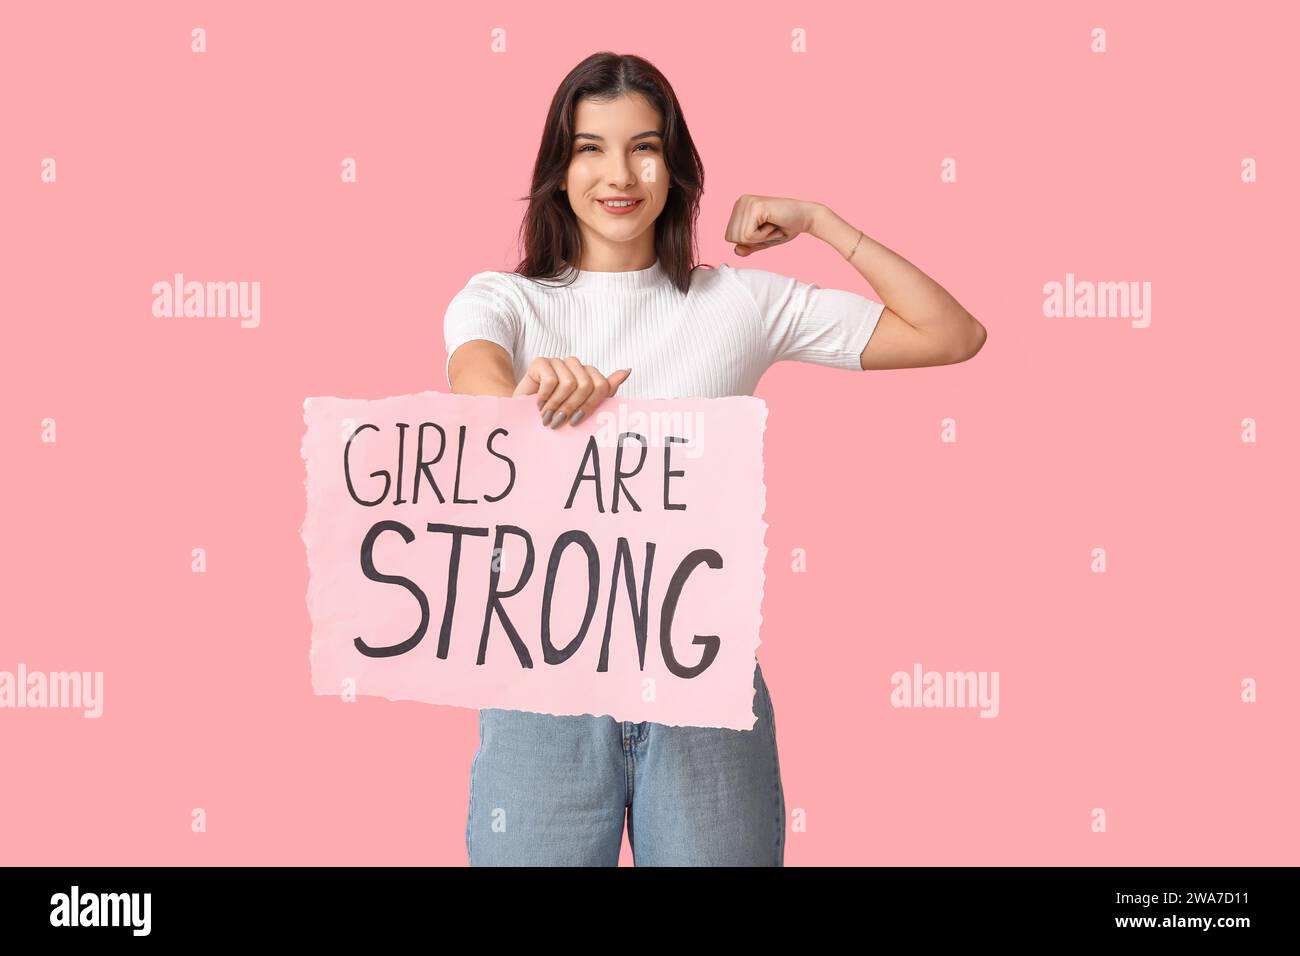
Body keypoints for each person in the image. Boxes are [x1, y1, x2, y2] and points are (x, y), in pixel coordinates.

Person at [444, 52, 986, 866]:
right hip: (543, 690)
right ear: (560, 171)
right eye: (590, 148)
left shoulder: (738, 304)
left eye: (645, 147)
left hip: (699, 676)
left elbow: (953, 334)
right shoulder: (504, 300)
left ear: (676, 167)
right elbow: (476, 386)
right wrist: (529, 392)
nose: (618, 173)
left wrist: (821, 221)